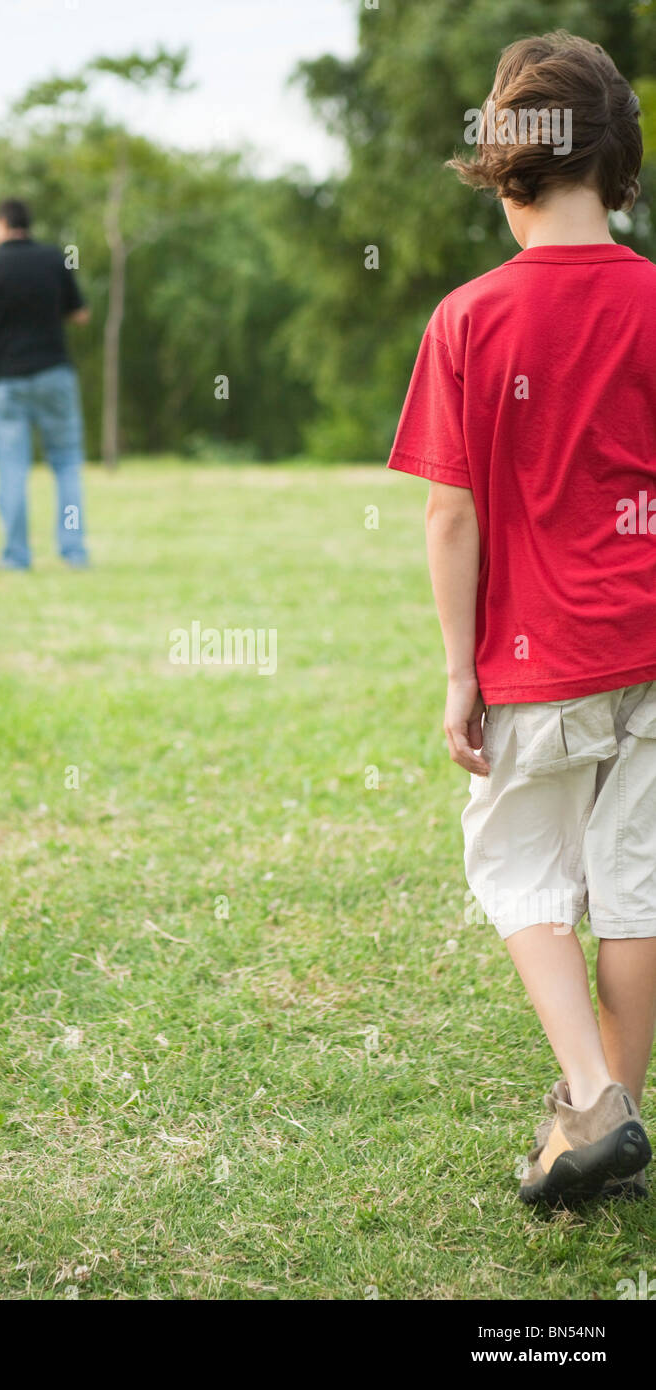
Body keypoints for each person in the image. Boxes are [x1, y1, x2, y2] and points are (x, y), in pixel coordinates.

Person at [388, 31, 656, 1206]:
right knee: (638, 888)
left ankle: (593, 1105)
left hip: (537, 662)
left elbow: (452, 521)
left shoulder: (469, 318)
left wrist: (460, 673)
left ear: (504, 167)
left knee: (518, 871)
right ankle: (604, 1114)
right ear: (621, 167)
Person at [0, 198, 91, 570]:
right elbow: (80, 314)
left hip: (7, 380)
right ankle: (73, 552)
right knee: (66, 465)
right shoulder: (56, 259)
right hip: (54, 372)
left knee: (12, 468)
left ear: (0, 224)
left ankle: (16, 555)